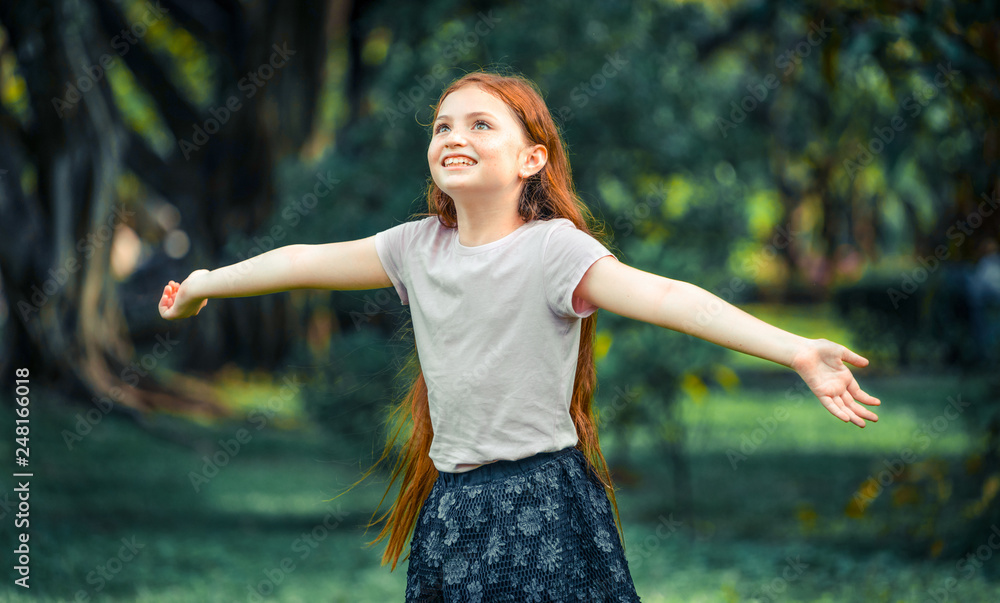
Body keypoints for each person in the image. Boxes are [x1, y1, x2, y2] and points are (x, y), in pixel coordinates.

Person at [159, 70, 880, 602]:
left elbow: (666, 296)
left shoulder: (554, 250)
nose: (454, 137)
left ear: (531, 159)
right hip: (451, 508)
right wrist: (202, 283)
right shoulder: (418, 247)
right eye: (443, 125)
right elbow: (303, 261)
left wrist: (793, 348)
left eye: (480, 125)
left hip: (541, 501)